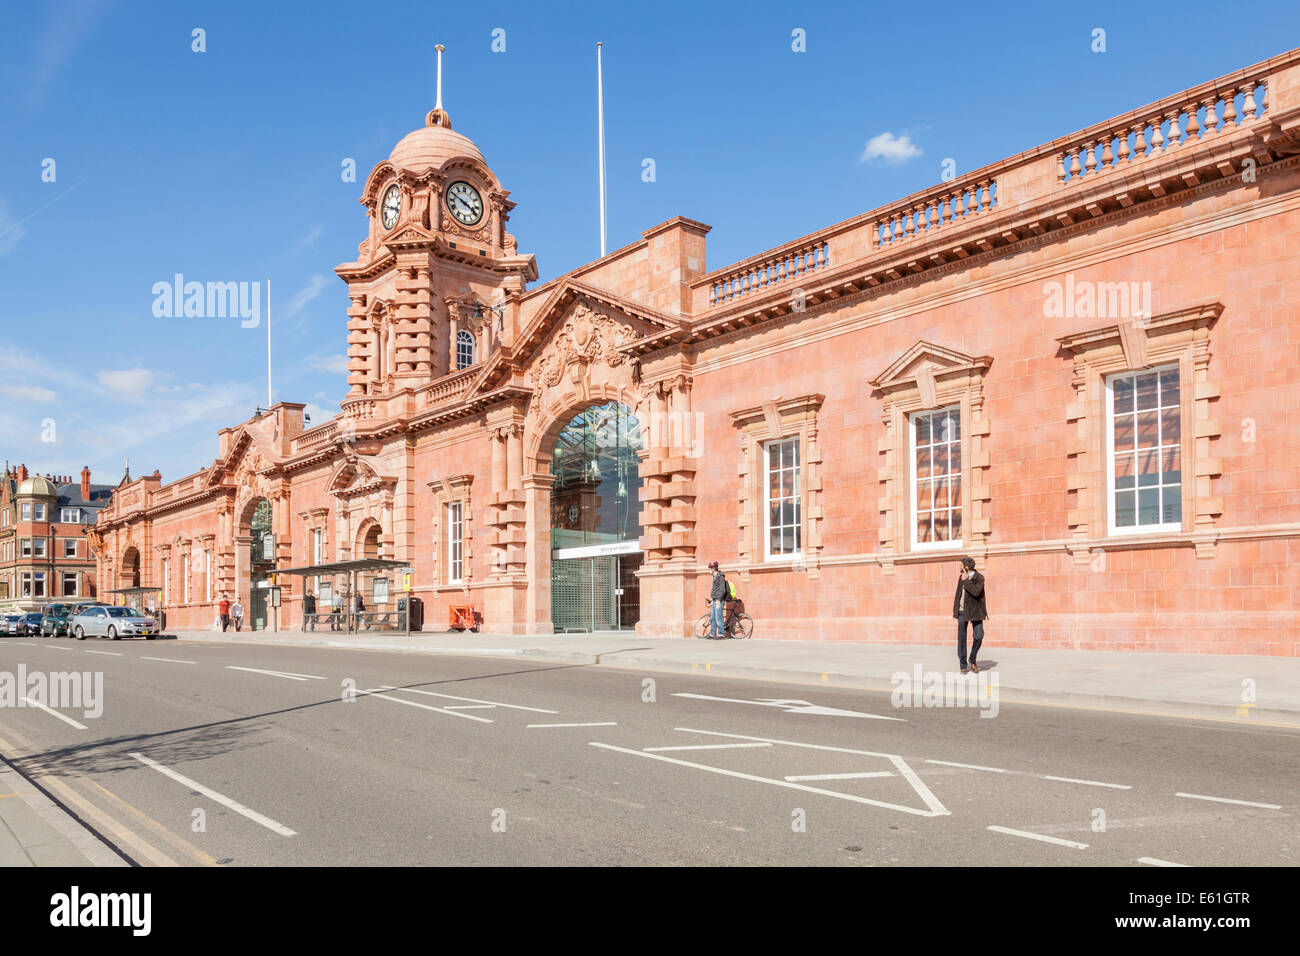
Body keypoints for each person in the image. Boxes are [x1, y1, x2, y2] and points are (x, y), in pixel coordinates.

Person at [953, 556, 988, 674]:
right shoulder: (961, 577)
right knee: (962, 639)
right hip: (963, 611)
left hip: (976, 612)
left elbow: (976, 592)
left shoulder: (980, 578)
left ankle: (972, 659)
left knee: (979, 635)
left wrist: (966, 581)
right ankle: (963, 664)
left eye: (961, 565)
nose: (959, 567)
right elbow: (958, 594)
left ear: (966, 567)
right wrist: (956, 610)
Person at [706, 561, 728, 639]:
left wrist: (718, 600)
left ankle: (721, 634)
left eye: (710, 568)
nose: (708, 570)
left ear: (713, 569)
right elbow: (716, 589)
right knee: (713, 618)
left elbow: (722, 589)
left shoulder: (720, 576)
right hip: (715, 600)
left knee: (719, 618)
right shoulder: (715, 577)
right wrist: (713, 600)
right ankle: (712, 634)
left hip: (719, 600)